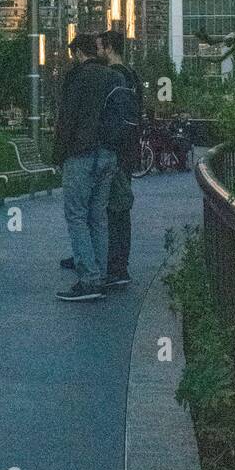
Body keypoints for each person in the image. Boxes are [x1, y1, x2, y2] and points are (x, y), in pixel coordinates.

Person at [52, 33, 120, 301]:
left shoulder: (77, 77)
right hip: (108, 154)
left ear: (79, 52)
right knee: (98, 217)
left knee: (77, 216)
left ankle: (88, 279)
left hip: (81, 154)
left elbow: (67, 119)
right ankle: (100, 275)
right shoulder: (112, 76)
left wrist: (58, 155)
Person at [96, 29, 143, 288]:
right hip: (127, 150)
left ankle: (117, 267)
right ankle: (115, 263)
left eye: (100, 47)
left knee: (115, 208)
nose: (97, 52)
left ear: (109, 48)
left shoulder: (116, 77)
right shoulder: (131, 75)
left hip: (117, 152)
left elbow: (117, 119)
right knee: (118, 208)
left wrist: (108, 142)